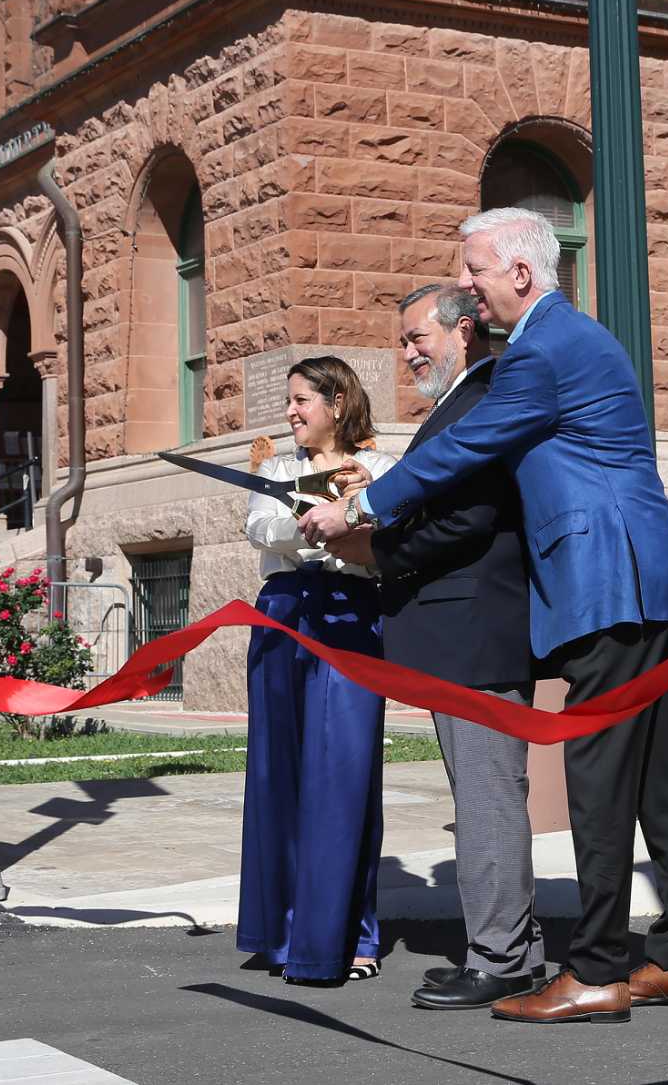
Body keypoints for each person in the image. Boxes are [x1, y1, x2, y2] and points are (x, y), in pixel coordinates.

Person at [301, 207, 668, 1024]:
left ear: (521, 274)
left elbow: (469, 445)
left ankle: (598, 969)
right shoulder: (573, 339)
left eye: (474, 271)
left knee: (600, 783)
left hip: (605, 578)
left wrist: (366, 505)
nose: (466, 284)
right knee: (661, 774)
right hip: (640, 572)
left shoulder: (540, 350)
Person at [329, 285, 545, 1011]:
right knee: (482, 794)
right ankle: (513, 942)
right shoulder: (457, 403)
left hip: (478, 630)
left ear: (463, 331)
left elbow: (473, 516)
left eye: (418, 336)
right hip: (460, 631)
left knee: (487, 797)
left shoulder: (483, 397)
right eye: (402, 341)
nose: (409, 351)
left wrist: (378, 547)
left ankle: (501, 957)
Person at [241, 356, 395, 984]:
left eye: (302, 399)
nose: (291, 412)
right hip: (281, 614)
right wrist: (321, 508)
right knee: (279, 771)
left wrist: (353, 506)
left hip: (350, 616)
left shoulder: (378, 467)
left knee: (344, 771)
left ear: (336, 401)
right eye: (289, 400)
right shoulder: (277, 468)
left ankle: (350, 936)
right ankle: (279, 932)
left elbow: (388, 526)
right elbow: (261, 528)